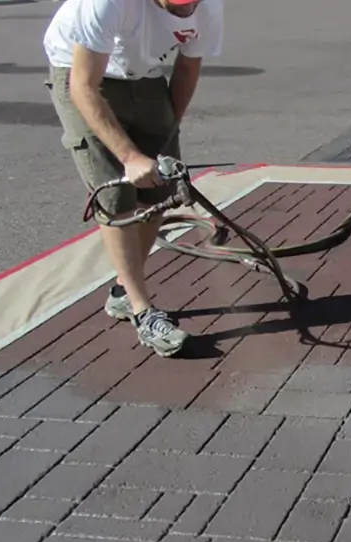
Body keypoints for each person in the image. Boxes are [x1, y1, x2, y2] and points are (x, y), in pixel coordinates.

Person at [42, 0, 224, 357]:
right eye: (177, 5)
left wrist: (167, 132)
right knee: (117, 197)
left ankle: (124, 290)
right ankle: (143, 310)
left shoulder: (209, 7)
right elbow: (83, 87)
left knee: (161, 189)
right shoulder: (108, 3)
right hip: (80, 71)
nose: (186, 10)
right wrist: (129, 157)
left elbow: (188, 66)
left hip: (143, 73)